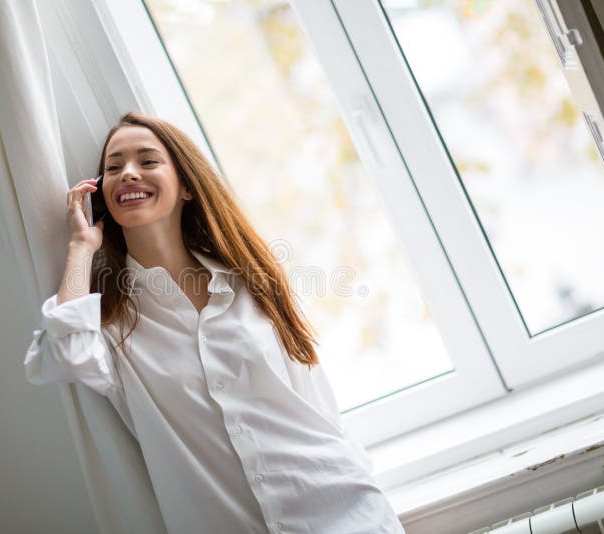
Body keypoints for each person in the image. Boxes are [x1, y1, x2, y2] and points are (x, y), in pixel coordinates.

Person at [24, 111, 404, 533]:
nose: (128, 174)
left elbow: (318, 406)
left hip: (345, 515)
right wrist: (80, 246)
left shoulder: (253, 284)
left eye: (147, 161)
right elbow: (62, 356)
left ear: (186, 185)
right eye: (113, 168)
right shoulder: (113, 320)